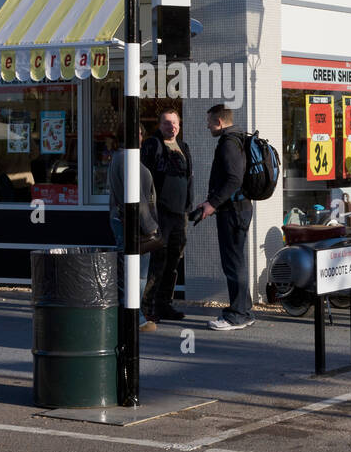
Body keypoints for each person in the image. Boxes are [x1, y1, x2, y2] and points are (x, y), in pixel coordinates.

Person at [196, 104, 255, 330]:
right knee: (236, 260)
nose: (207, 125)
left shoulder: (229, 143)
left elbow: (233, 180)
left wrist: (212, 204)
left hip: (233, 210)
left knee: (233, 262)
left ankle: (237, 315)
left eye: (209, 121)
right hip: (238, 208)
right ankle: (244, 310)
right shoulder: (237, 138)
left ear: (219, 122)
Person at [140, 109, 194, 323]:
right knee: (157, 262)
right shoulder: (152, 145)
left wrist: (189, 206)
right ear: (159, 124)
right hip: (159, 215)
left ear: (179, 125)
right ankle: (147, 307)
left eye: (175, 123)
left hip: (180, 216)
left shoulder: (184, 147)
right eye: (166, 123)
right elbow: (144, 179)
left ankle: (164, 304)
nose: (171, 127)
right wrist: (147, 213)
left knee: (174, 261)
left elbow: (189, 178)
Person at [108, 124, 157, 332]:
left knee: (131, 272)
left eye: (140, 132)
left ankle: (133, 316)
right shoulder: (127, 160)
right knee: (136, 274)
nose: (139, 136)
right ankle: (134, 319)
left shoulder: (121, 158)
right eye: (135, 132)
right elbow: (137, 199)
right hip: (134, 224)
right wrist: (150, 227)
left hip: (125, 220)